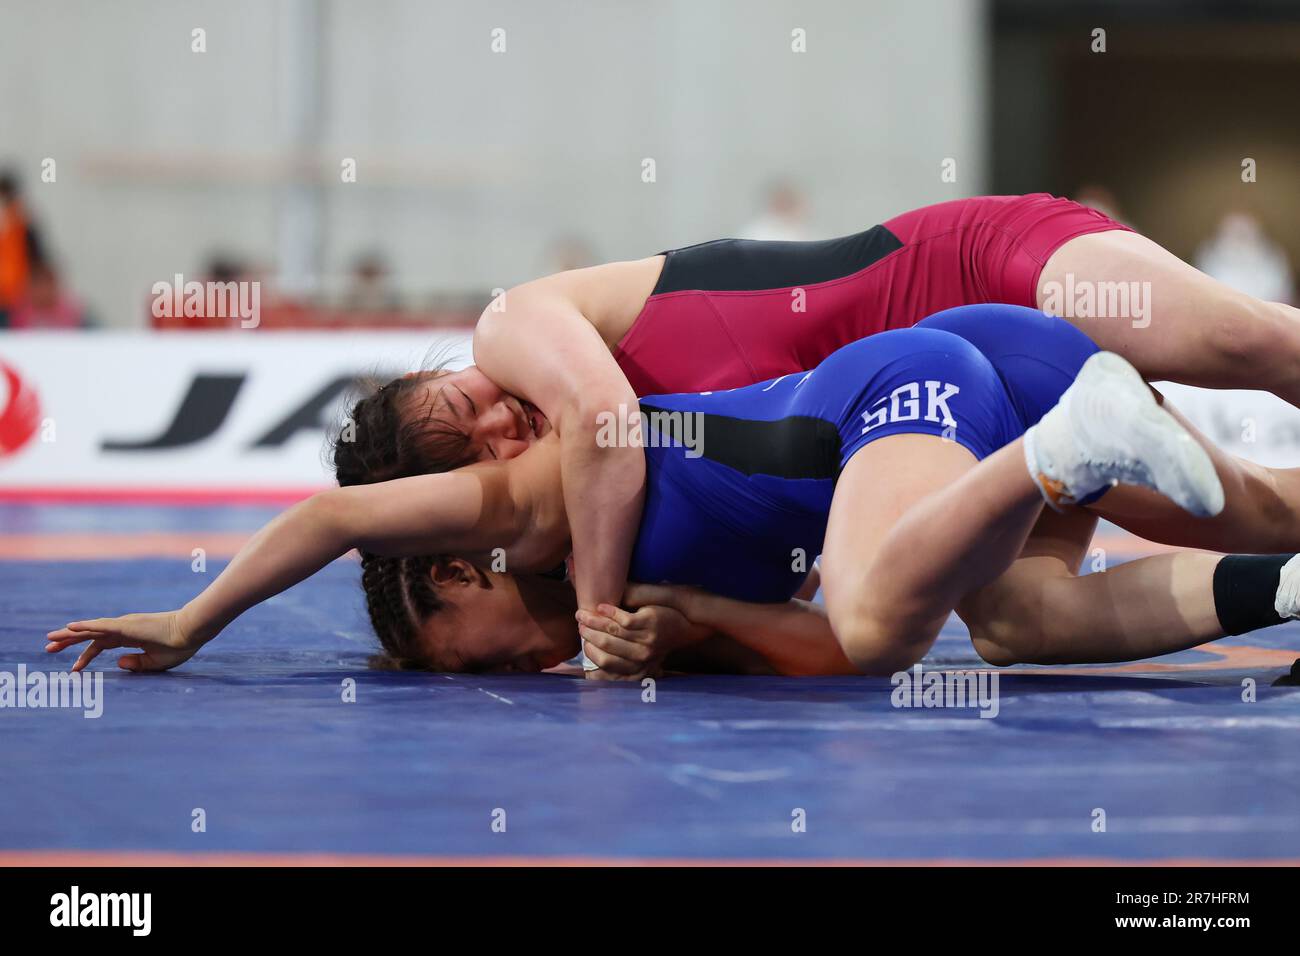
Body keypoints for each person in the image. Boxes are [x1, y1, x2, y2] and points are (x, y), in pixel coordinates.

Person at [42, 306, 1300, 681]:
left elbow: (326, 518)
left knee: (880, 623)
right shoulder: (633, 600)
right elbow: (800, 644)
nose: (503, 673)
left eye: (469, 660)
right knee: (1028, 621)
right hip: (938, 389)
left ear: (451, 570)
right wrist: (696, 615)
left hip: (906, 384)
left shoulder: (530, 506)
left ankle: (1066, 450)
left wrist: (189, 618)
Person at [332, 193, 1300, 671]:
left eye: (468, 395)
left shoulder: (522, 337)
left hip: (970, 269)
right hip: (948, 412)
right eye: (478, 438)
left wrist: (594, 621)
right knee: (1028, 616)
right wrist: (679, 622)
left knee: (1239, 337)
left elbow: (603, 420)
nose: (503, 409)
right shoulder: (607, 509)